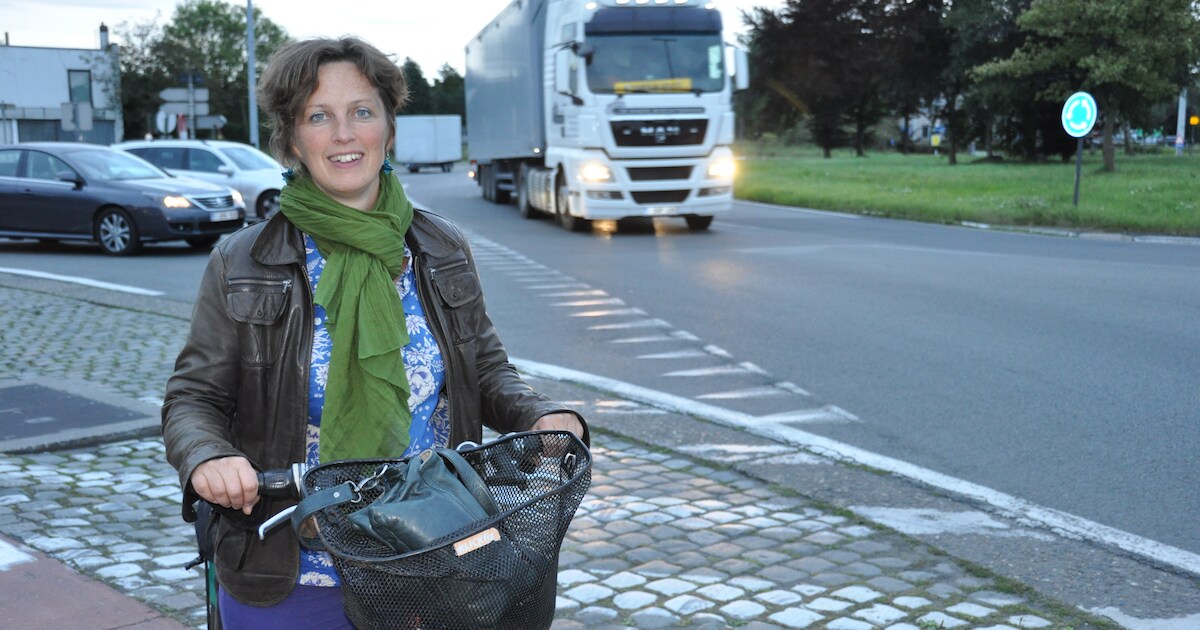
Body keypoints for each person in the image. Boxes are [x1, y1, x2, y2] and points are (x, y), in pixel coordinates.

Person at [161, 36, 587, 629]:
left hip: (429, 558)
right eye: (318, 116)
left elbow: (486, 370)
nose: (344, 134)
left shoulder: (440, 248)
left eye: (362, 111)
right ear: (292, 139)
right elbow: (194, 398)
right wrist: (210, 456)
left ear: (388, 129)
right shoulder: (244, 261)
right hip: (292, 567)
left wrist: (539, 415)